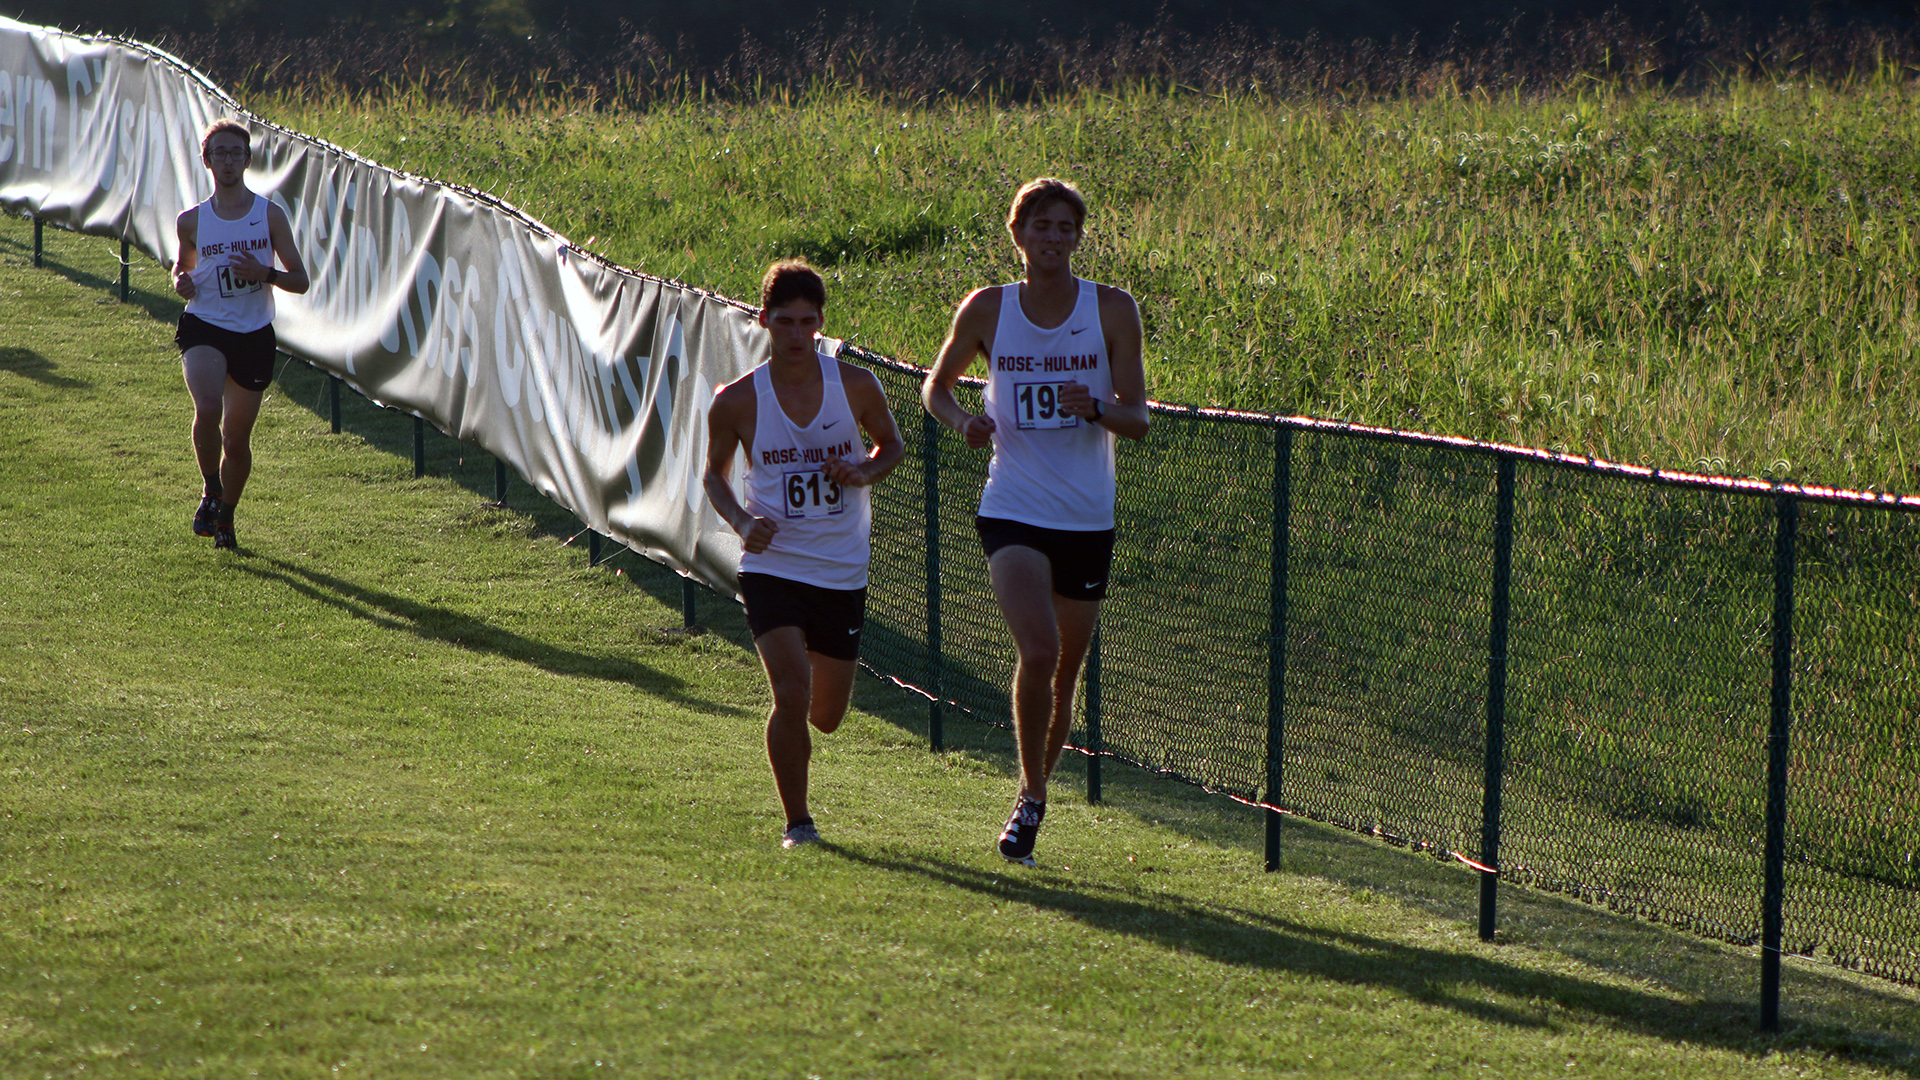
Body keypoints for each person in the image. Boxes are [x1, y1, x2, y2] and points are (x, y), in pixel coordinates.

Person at [921, 177, 1149, 867]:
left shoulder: (1111, 309)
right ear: (1017, 236)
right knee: (1040, 650)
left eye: (1065, 227)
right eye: (1040, 227)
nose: (1052, 238)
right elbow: (935, 388)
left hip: (1086, 515)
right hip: (1012, 506)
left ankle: (1031, 794)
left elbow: (1137, 419)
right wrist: (964, 420)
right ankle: (1033, 801)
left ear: (1079, 237)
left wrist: (1097, 408)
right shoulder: (988, 309)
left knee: (1063, 677)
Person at [704, 261, 905, 849]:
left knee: (825, 714)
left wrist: (863, 470)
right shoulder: (737, 401)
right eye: (785, 322)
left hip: (842, 568)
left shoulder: (856, 386)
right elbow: (714, 476)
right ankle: (798, 822)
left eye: (808, 323)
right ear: (764, 321)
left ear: (821, 324)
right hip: (773, 566)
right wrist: (742, 521)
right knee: (790, 692)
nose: (796, 335)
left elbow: (891, 445)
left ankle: (799, 794)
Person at [171, 118, 310, 550]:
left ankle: (226, 516)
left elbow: (301, 279)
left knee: (237, 437)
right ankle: (211, 489)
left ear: (248, 160)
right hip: (205, 324)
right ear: (207, 162)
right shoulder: (191, 220)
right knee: (208, 406)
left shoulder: (268, 215)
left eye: (236, 153)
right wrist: (181, 281)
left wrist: (264, 272)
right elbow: (183, 268)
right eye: (220, 154)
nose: (228, 161)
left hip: (253, 332)